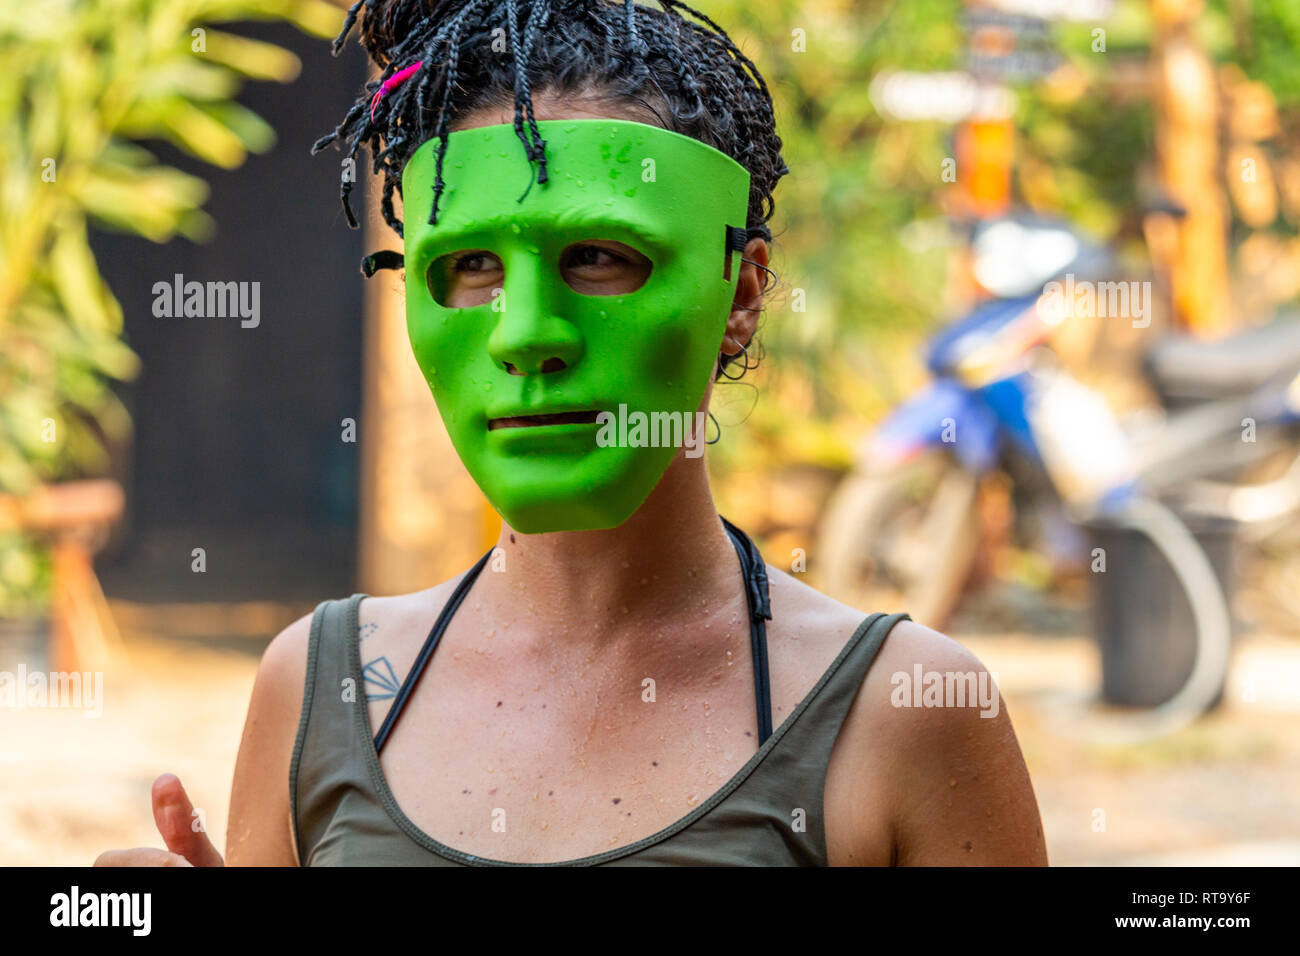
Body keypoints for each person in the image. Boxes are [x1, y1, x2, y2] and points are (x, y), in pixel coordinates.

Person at [96, 0, 1047, 867]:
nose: (527, 334)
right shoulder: (320, 687)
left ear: (741, 294)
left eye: (597, 256)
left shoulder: (905, 712)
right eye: (470, 265)